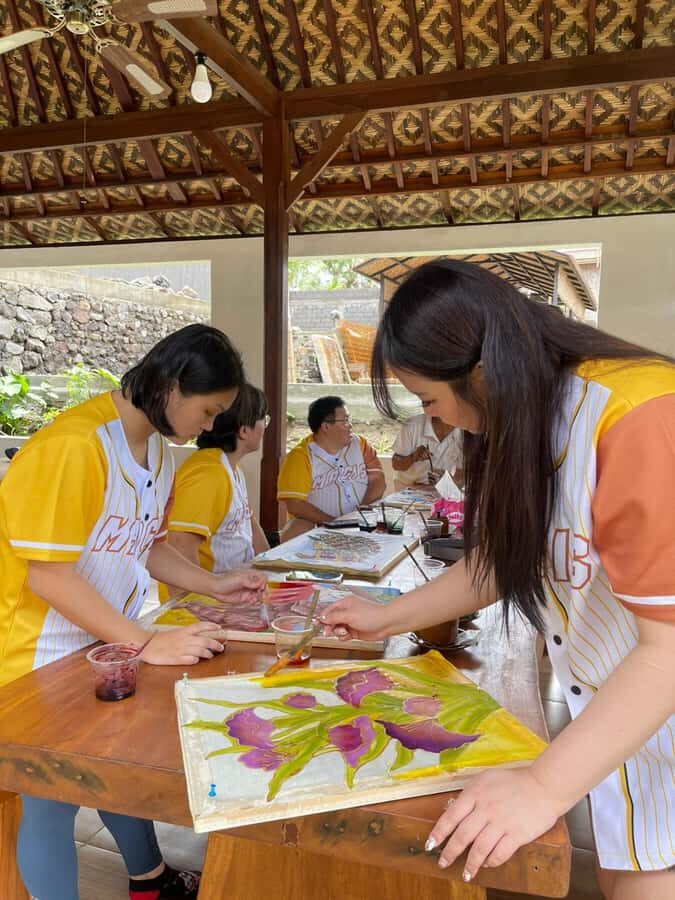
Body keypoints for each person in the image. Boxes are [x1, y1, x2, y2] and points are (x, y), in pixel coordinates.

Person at [320, 260, 675, 900]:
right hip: (628, 722)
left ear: (479, 371)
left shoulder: (636, 415)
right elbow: (504, 561)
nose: (441, 420)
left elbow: (671, 649)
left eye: (431, 400)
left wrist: (542, 787)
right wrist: (386, 616)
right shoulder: (533, 417)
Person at [0, 324, 266, 900]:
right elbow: (48, 574)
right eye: (208, 409)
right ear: (171, 386)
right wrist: (146, 642)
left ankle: (149, 880)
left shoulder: (159, 456)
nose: (211, 426)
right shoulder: (76, 445)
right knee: (49, 807)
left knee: (115, 772)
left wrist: (216, 584)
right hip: (32, 660)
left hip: (96, 648)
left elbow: (148, 546)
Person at [161, 383, 270, 599]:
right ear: (244, 430)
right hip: (204, 608)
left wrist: (268, 572)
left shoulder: (230, 469)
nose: (265, 427)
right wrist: (194, 611)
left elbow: (251, 526)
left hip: (231, 597)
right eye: (264, 420)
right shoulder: (208, 475)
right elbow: (180, 546)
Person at [277, 395, 385, 541]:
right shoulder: (300, 456)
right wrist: (334, 523)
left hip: (365, 521)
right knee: (295, 529)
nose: (350, 425)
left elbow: (378, 480)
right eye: (345, 421)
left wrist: (361, 511)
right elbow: (295, 505)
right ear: (326, 427)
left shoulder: (359, 444)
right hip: (321, 527)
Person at [391, 412, 464, 489]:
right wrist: (413, 457)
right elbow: (396, 465)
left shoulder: (464, 432)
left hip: (438, 491)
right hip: (406, 491)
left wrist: (446, 482)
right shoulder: (413, 425)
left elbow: (461, 476)